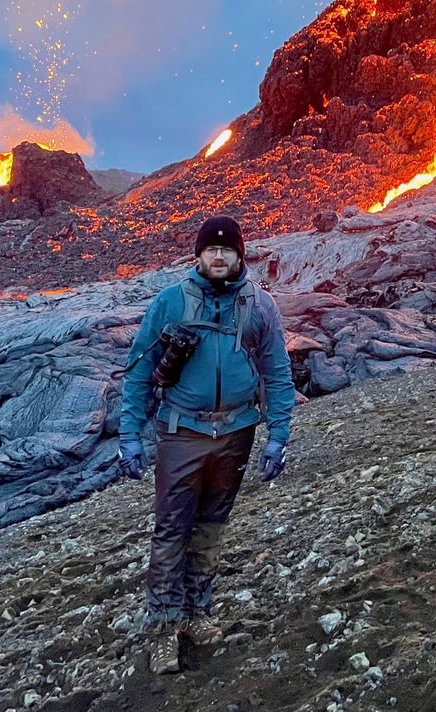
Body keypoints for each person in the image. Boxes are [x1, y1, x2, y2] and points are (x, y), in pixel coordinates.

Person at [117, 215, 295, 674]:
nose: (219, 256)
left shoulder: (261, 306)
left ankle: (197, 614)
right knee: (171, 530)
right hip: (180, 432)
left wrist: (278, 436)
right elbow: (139, 370)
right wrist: (129, 435)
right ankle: (163, 629)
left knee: (211, 528)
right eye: (211, 250)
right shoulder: (170, 301)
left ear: (240, 256)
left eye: (228, 250)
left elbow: (277, 373)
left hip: (236, 433)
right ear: (197, 256)